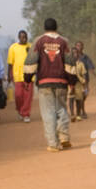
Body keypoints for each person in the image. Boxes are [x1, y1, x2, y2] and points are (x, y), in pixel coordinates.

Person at [32, 18, 73, 151]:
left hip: (44, 83)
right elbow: (70, 63)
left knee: (48, 112)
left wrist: (28, 77)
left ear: (44, 27)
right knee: (61, 109)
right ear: (56, 27)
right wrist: (71, 80)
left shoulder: (38, 41)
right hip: (61, 82)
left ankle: (53, 144)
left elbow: (31, 61)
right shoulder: (64, 42)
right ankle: (64, 137)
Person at [7, 29, 34, 122]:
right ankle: (19, 110)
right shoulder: (13, 48)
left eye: (25, 37)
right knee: (18, 95)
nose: (24, 39)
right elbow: (10, 63)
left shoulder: (31, 47)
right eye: (22, 37)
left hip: (29, 76)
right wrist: (9, 75)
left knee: (28, 96)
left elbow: (35, 61)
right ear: (19, 37)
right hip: (17, 75)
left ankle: (26, 114)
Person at [71, 41, 95, 120]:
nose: (79, 47)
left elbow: (90, 67)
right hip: (73, 81)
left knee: (84, 96)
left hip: (84, 80)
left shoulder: (85, 57)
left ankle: (81, 110)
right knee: (73, 97)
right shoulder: (71, 58)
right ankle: (78, 112)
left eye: (80, 46)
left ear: (83, 47)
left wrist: (94, 74)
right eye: (77, 45)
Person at [68, 48, 89, 121]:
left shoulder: (80, 64)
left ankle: (78, 114)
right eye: (73, 53)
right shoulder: (68, 64)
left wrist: (85, 87)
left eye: (76, 53)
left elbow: (84, 74)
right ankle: (72, 114)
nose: (75, 55)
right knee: (71, 98)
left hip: (79, 84)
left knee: (79, 99)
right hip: (70, 84)